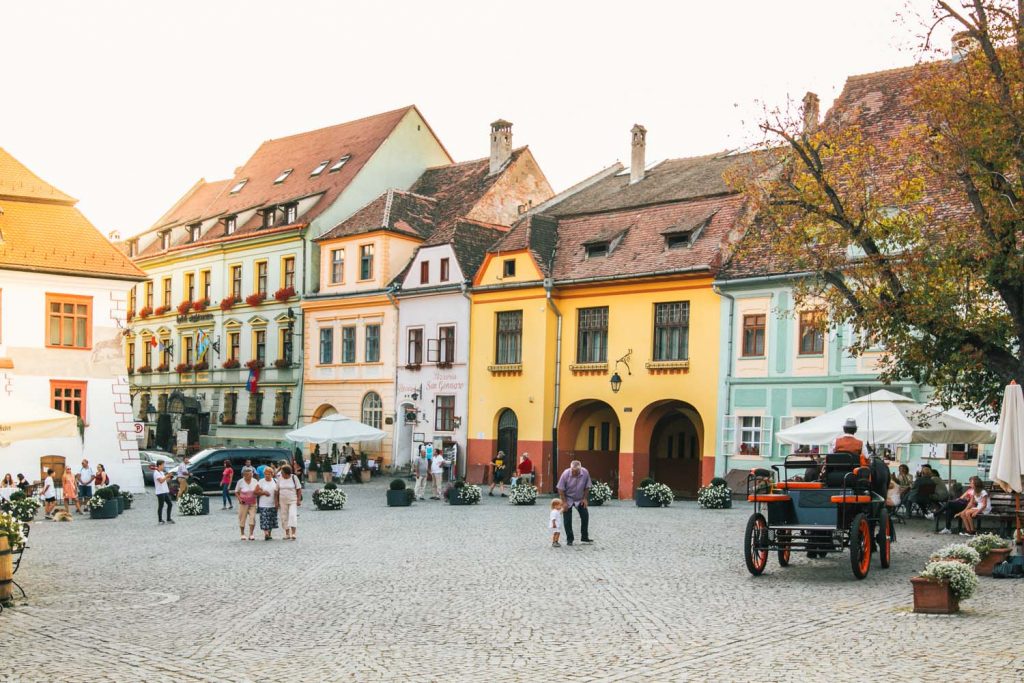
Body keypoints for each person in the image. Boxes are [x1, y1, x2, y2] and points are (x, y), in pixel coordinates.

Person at [556, 460, 593, 546]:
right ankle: (570, 539)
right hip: (567, 497)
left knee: (585, 515)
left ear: (580, 469)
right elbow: (560, 489)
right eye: (573, 471)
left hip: (579, 498)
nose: (575, 473)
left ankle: (584, 537)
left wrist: (584, 499)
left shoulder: (585, 472)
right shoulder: (565, 474)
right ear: (570, 468)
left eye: (577, 471)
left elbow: (587, 487)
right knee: (567, 519)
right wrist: (564, 502)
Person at [276, 465, 302, 540]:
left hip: (292, 500)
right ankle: (287, 533)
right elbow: (276, 491)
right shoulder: (280, 478)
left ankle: (293, 533)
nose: (281, 474)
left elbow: (299, 489)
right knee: (284, 517)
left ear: (287, 473)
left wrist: (298, 499)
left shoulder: (294, 478)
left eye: (282, 472)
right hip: (282, 500)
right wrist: (276, 502)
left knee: (292, 515)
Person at [234, 467, 259, 541]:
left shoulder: (255, 481)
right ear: (244, 475)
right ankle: (242, 534)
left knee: (252, 517)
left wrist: (257, 493)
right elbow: (236, 491)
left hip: (253, 502)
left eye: (250, 474)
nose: (249, 476)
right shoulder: (240, 481)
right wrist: (240, 499)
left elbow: (258, 490)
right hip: (243, 503)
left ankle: (251, 534)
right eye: (247, 475)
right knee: (242, 518)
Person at [255, 467, 279, 540]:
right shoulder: (261, 481)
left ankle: (269, 534)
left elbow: (278, 493)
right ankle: (266, 534)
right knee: (265, 520)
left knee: (271, 520)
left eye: (268, 474)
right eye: (265, 474)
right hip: (263, 504)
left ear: (272, 474)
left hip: (273, 504)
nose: (267, 475)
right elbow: (255, 492)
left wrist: (277, 502)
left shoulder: (275, 481)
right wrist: (263, 492)